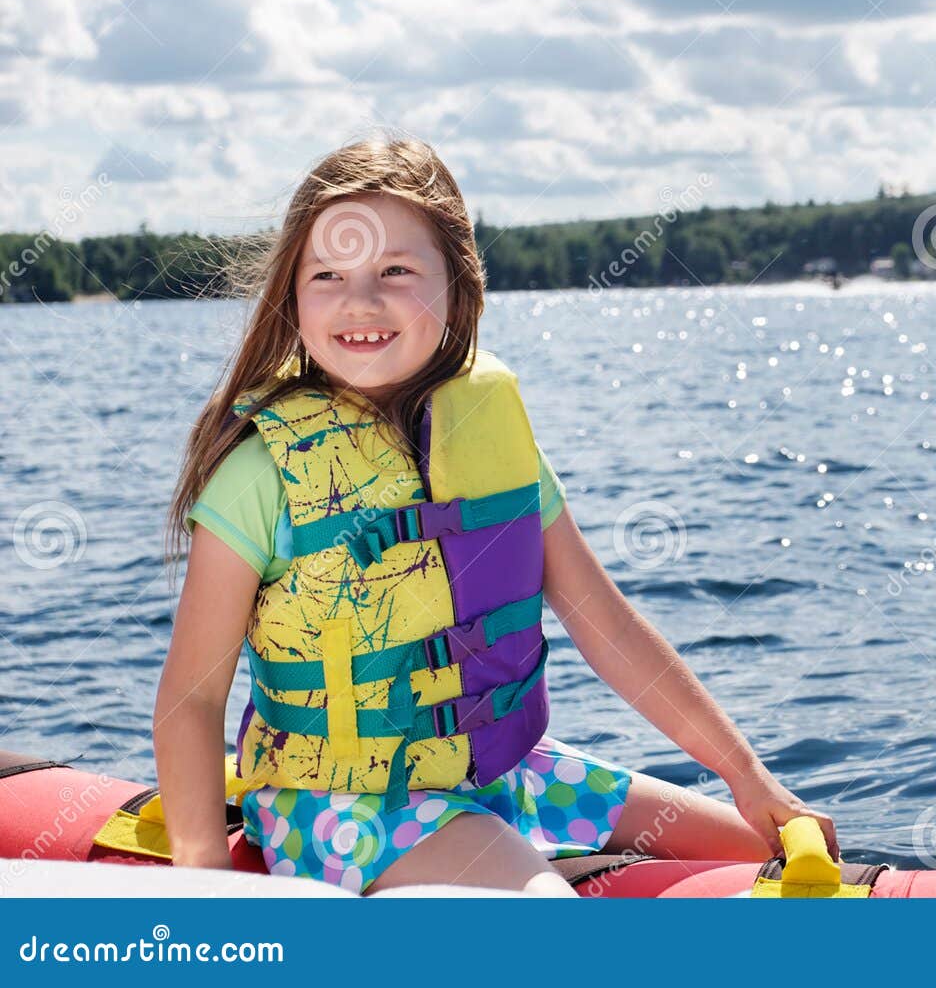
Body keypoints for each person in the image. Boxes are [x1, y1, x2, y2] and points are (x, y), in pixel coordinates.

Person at [153, 135, 837, 896]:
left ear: (459, 285)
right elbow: (191, 701)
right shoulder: (261, 475)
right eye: (328, 276)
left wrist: (747, 773)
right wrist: (206, 888)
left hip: (506, 776)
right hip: (347, 808)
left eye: (396, 272)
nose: (362, 302)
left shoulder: (491, 439)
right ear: (292, 293)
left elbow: (605, 625)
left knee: (756, 846)